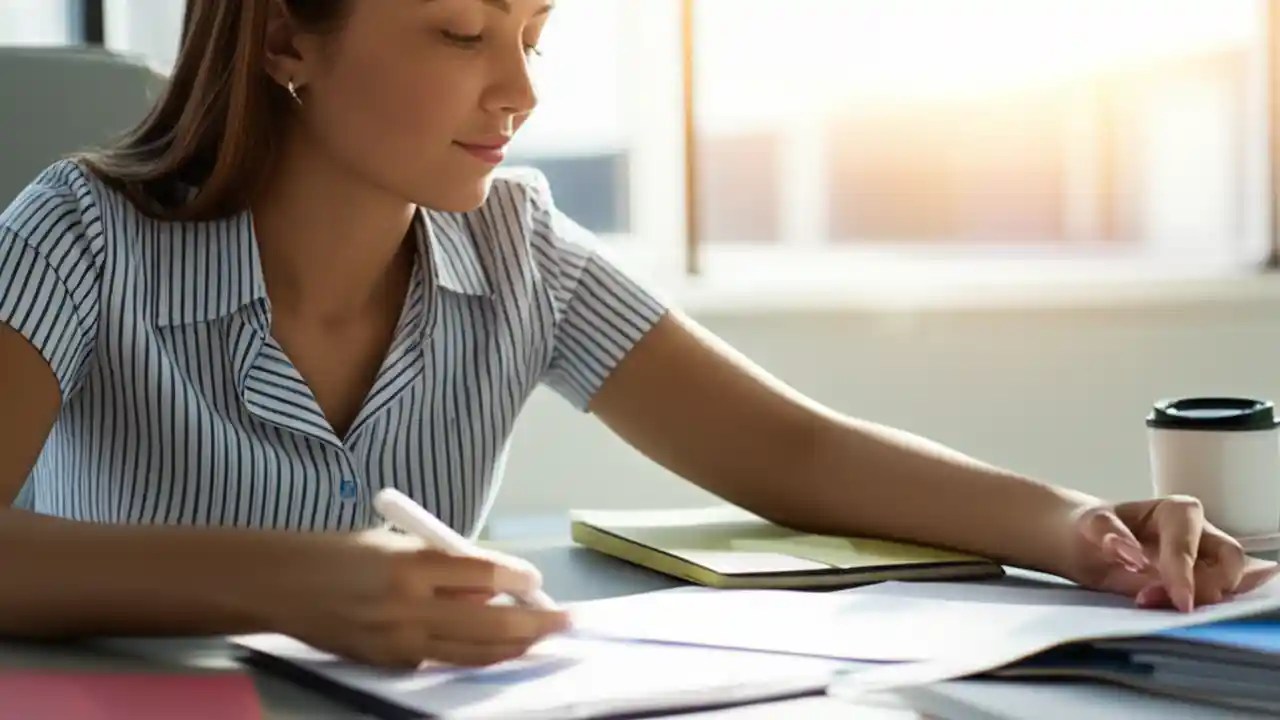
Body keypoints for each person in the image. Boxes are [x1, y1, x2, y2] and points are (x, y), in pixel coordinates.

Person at [0, 0, 1272, 670]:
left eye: (534, 34)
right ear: (284, 35)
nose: (519, 90)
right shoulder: (76, 237)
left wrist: (1077, 532)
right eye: (459, 33)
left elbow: (793, 454)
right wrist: (312, 587)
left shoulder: (517, 245)